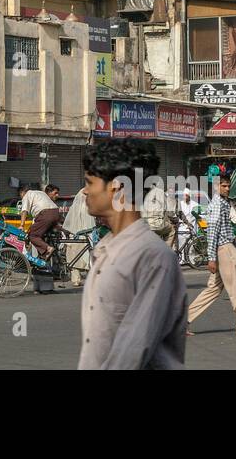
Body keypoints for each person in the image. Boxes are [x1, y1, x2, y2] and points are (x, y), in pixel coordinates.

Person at [77, 138, 186, 369]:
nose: (85, 191)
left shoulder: (151, 257)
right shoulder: (105, 250)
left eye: (90, 182)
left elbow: (133, 348)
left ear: (116, 187)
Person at [187, 174, 236, 338]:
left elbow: (228, 231)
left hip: (227, 249)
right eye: (223, 186)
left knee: (212, 290)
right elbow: (212, 234)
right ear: (215, 187)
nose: (227, 189)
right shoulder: (218, 205)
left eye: (228, 186)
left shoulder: (225, 204)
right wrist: (211, 258)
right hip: (225, 252)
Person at [63, 185, 95, 287]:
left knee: (73, 256)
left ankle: (76, 280)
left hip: (74, 236)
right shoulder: (89, 207)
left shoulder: (74, 208)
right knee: (89, 255)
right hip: (85, 236)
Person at [20, 183, 62, 259]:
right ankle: (46, 256)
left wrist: (22, 225)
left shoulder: (27, 195)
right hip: (56, 212)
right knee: (43, 235)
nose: (21, 196)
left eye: (20, 194)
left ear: (23, 192)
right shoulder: (41, 193)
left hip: (45, 215)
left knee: (32, 235)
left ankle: (48, 249)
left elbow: (24, 211)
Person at [142, 182, 177, 249]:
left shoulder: (146, 194)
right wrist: (174, 218)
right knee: (171, 230)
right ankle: (166, 253)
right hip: (156, 223)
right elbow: (169, 212)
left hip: (145, 224)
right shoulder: (160, 192)